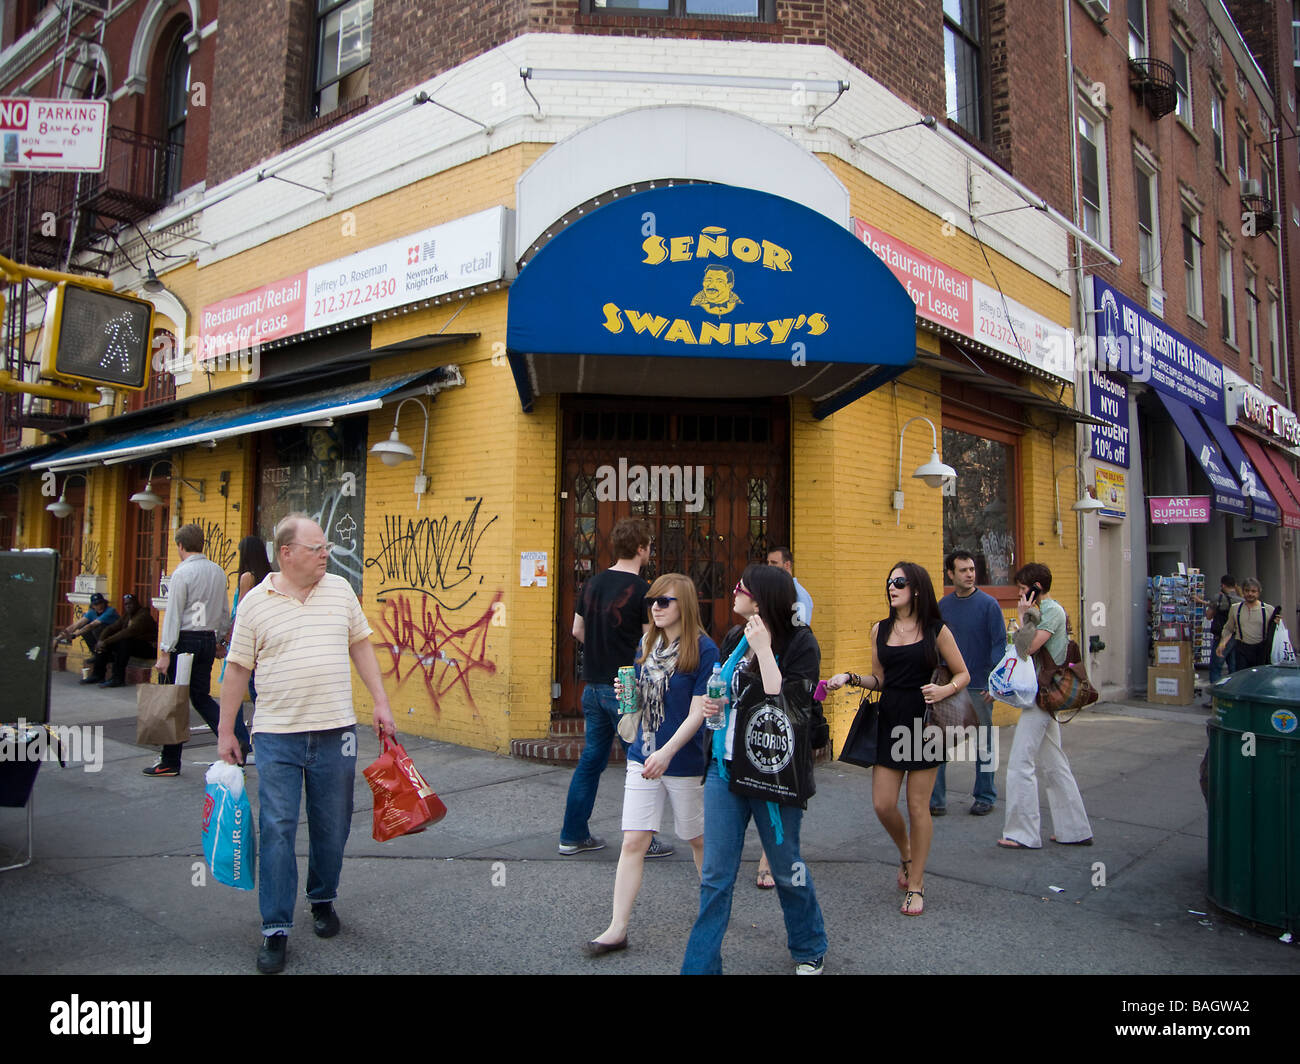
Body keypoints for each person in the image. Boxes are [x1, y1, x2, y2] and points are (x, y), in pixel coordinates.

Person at [216, 513, 396, 975]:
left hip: (337, 731)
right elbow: (236, 669)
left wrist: (380, 701)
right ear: (287, 553)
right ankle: (275, 928)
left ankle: (322, 899)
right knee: (277, 827)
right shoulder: (254, 604)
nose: (326, 555)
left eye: (327, 548)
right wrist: (225, 732)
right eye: (317, 548)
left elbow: (360, 645)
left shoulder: (339, 591)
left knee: (332, 825)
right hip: (276, 735)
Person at [681, 564, 829, 974]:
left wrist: (764, 649)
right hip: (725, 769)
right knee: (715, 877)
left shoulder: (801, 644)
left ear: (760, 599)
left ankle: (809, 944)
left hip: (774, 773)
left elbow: (788, 703)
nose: (733, 591)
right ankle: (700, 967)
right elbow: (730, 693)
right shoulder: (734, 637)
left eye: (740, 587)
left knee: (786, 868)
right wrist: (717, 705)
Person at [584, 573, 717, 956]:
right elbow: (641, 702)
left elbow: (698, 712)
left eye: (664, 601)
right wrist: (627, 696)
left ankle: (712, 914)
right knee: (634, 840)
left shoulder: (704, 650)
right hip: (643, 754)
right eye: (652, 601)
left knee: (696, 839)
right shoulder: (648, 643)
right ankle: (616, 928)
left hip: (682, 759)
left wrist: (668, 753)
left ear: (685, 606)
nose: (655, 607)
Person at [828, 561, 970, 917]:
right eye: (889, 581)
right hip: (891, 721)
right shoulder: (880, 629)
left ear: (917, 589)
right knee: (883, 803)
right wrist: (850, 678)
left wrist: (944, 689)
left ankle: (917, 883)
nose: (892, 587)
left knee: (919, 806)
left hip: (924, 724)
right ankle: (906, 853)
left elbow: (964, 673)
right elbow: (881, 679)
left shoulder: (936, 629)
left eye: (900, 582)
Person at [560, 517, 673, 859]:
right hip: (625, 687)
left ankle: (572, 834)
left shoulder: (592, 584)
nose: (650, 551)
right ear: (640, 549)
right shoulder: (644, 591)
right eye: (649, 546)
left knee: (591, 761)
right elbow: (649, 641)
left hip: (592, 685)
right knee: (640, 763)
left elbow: (577, 631)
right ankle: (644, 839)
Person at [996, 562, 1092, 850]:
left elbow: (1027, 647)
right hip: (1041, 694)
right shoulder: (1043, 611)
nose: (1020, 595)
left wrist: (1023, 617)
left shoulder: (1051, 611)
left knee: (1019, 763)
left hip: (1042, 695)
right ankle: (1074, 829)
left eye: (1024, 590)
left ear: (1037, 588)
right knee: (1053, 762)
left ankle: (1022, 833)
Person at [145, 524, 251, 777]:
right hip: (206, 639)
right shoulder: (216, 571)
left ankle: (170, 761)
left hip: (185, 641)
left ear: (180, 546)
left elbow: (173, 615)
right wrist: (221, 638)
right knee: (201, 697)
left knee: (174, 701)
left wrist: (165, 652)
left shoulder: (182, 573)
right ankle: (236, 743)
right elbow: (223, 609)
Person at [932, 548, 1005, 816]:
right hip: (948, 685)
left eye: (972, 569)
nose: (970, 574)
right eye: (963, 570)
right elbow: (936, 643)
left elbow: (1000, 645)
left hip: (979, 685)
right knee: (938, 741)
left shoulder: (989, 605)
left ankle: (985, 796)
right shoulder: (943, 606)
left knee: (983, 742)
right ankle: (936, 800)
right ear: (950, 574)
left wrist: (994, 683)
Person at [220, 535, 273, 705]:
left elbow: (241, 609)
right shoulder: (269, 575)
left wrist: (229, 635)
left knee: (237, 684)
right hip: (263, 632)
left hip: (246, 634)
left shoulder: (247, 577)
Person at [81, 594, 157, 687]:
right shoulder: (127, 616)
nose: (128, 606)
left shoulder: (143, 615)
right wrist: (101, 640)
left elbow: (128, 632)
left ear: (136, 604)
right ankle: (98, 675)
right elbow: (111, 628)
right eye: (126, 604)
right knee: (108, 644)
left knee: (124, 642)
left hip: (149, 648)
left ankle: (118, 678)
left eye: (130, 604)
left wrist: (105, 641)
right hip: (134, 646)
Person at [1218, 577, 1279, 671]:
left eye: (1253, 591)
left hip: (1261, 650)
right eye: (1247, 591)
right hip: (1242, 649)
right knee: (1243, 679)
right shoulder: (1235, 608)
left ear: (1259, 592)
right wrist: (1222, 643)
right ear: (1243, 591)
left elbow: (1276, 631)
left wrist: (1278, 623)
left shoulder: (1268, 609)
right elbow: (1228, 628)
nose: (1250, 594)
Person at [55, 592, 119, 654]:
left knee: (97, 629)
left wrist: (74, 635)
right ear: (93, 606)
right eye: (96, 604)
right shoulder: (92, 612)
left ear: (104, 603)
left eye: (101, 603)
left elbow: (92, 625)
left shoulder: (110, 611)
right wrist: (57, 639)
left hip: (115, 639)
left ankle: (107, 655)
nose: (99, 606)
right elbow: (76, 625)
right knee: (83, 628)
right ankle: (96, 654)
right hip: (102, 640)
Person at [1207, 575, 1242, 682]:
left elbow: (1209, 616)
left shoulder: (1218, 598)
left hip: (1221, 636)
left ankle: (1215, 695)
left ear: (1222, 585)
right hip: (1236, 637)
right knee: (1234, 668)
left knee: (1216, 668)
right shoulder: (1241, 600)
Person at [767, 547, 813, 627]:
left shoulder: (799, 595)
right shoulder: (774, 591)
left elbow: (800, 631)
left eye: (774, 563)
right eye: (768, 562)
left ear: (787, 565)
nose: (769, 566)